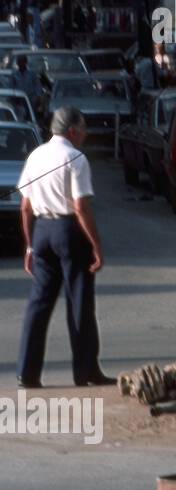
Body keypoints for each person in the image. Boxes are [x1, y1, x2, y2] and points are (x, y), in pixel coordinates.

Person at [16, 107, 109, 388]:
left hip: (43, 230)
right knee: (79, 303)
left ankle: (27, 373)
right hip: (69, 231)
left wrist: (30, 246)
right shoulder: (75, 158)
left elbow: (25, 207)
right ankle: (86, 371)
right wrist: (97, 246)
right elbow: (81, 207)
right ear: (72, 131)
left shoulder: (36, 155)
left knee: (39, 304)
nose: (85, 135)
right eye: (82, 130)